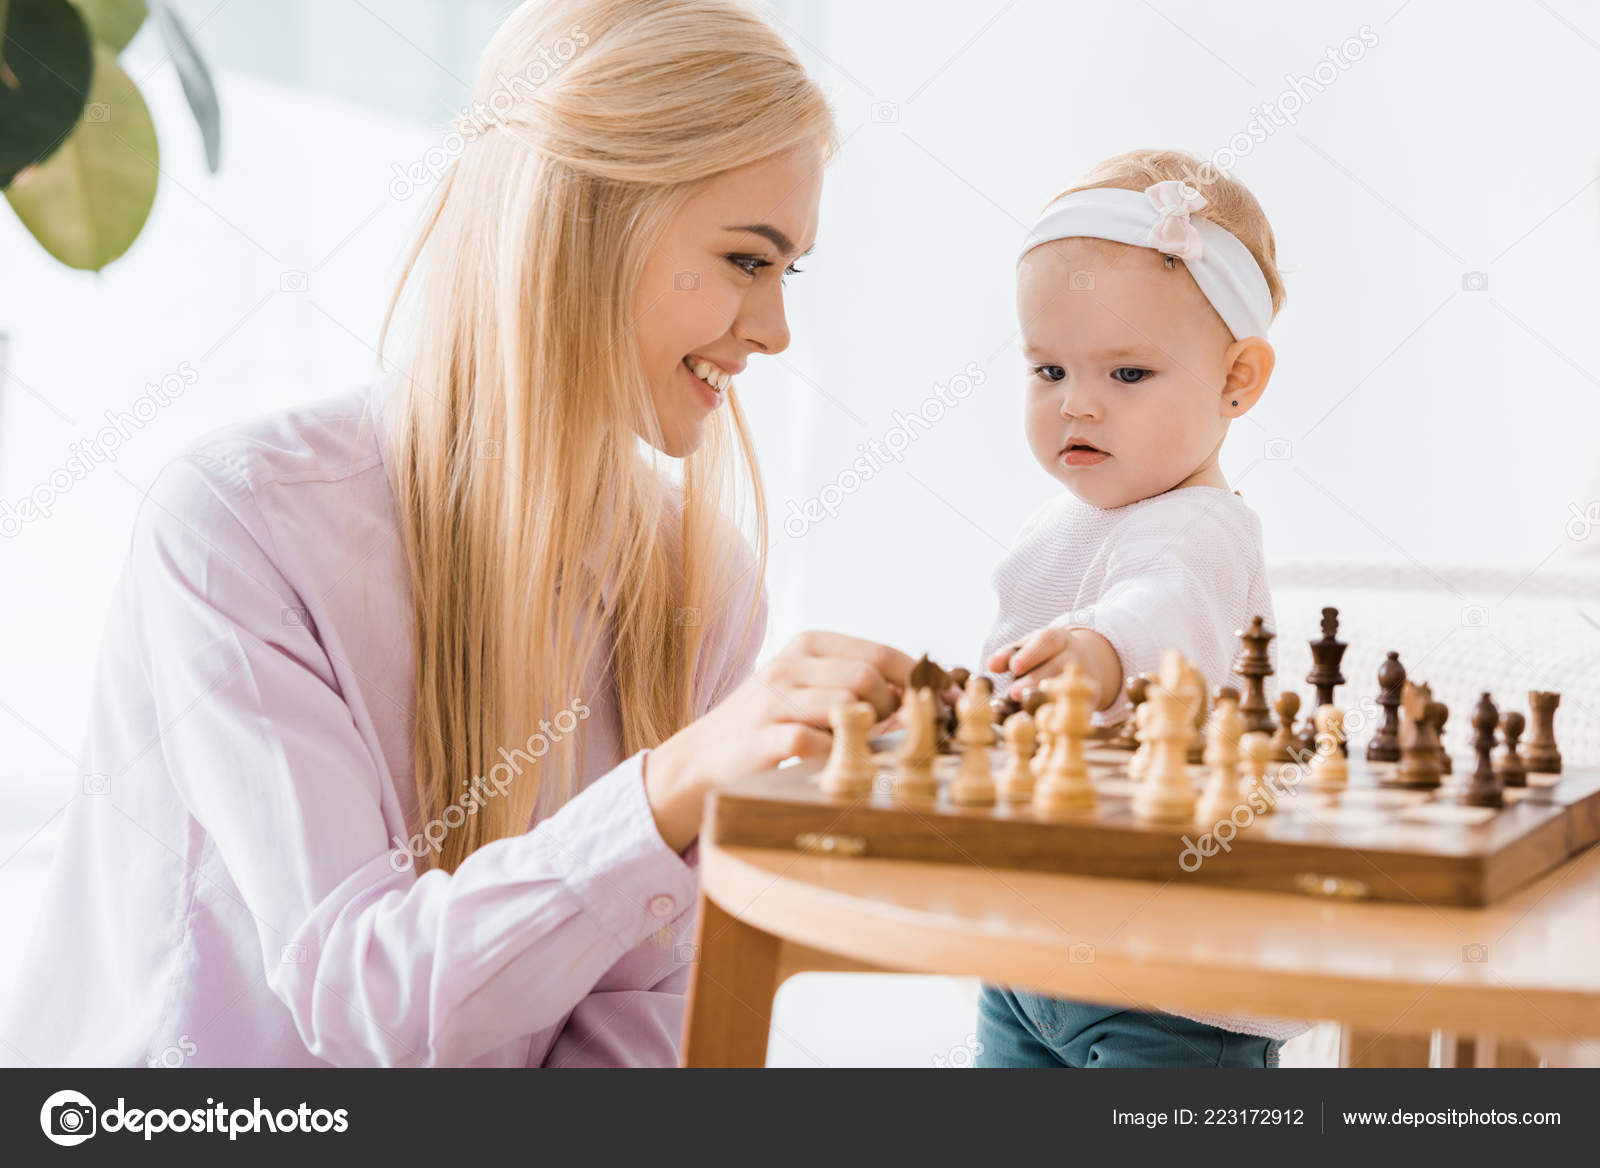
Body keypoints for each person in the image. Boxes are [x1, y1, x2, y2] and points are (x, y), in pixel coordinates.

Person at [0, 0, 916, 1068]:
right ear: (586, 219)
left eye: (788, 270)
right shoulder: (238, 527)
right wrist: (671, 788)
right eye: (745, 260)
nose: (773, 330)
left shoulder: (702, 580)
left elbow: (644, 1019)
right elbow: (365, 999)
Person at [972, 149, 1308, 1067]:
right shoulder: (1057, 524)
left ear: (1237, 381)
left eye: (1126, 376)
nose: (1077, 405)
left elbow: (1167, 613)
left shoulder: (1204, 527)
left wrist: (1099, 653)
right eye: (1048, 371)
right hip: (1028, 960)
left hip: (1170, 990)